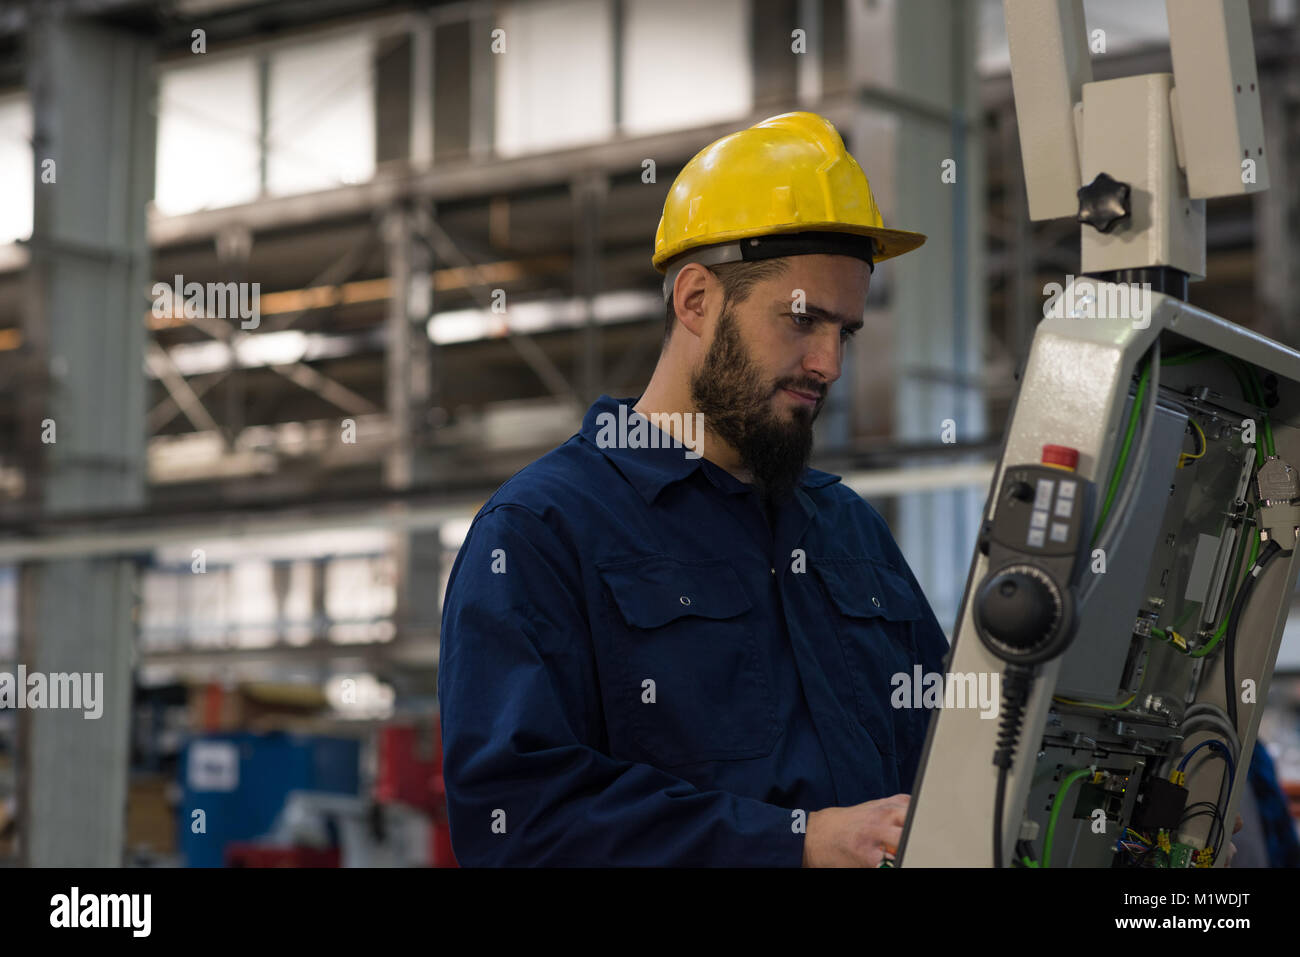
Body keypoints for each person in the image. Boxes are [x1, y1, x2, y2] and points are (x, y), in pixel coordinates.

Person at [438, 111, 950, 866]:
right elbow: (521, 822)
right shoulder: (542, 531)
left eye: (846, 331)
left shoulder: (848, 531)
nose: (829, 363)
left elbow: (950, 756)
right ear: (696, 300)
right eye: (803, 321)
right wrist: (795, 846)